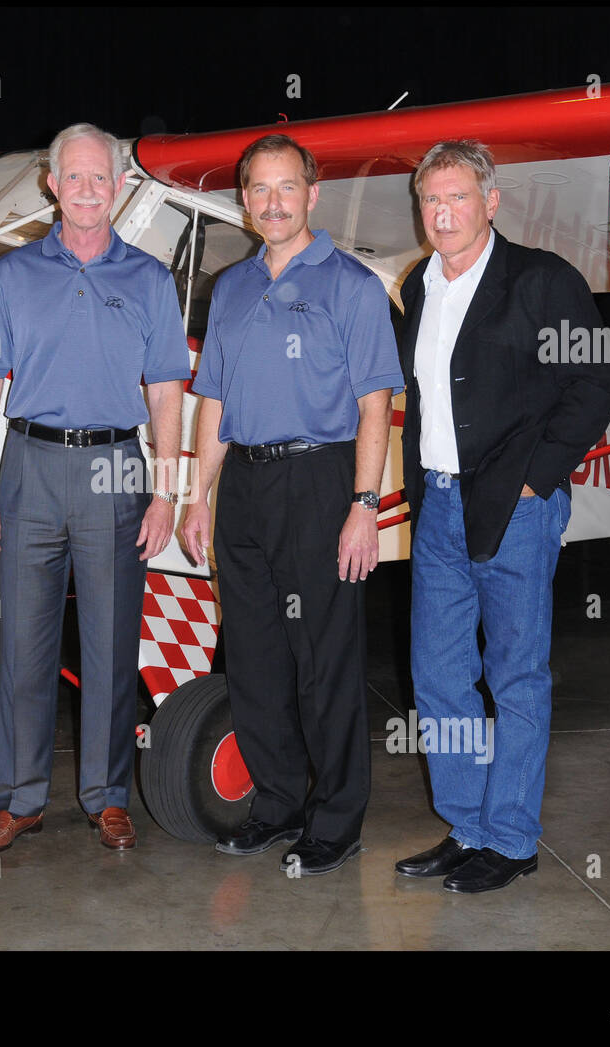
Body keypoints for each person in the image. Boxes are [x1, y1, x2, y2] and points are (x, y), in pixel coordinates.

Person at [393, 140, 610, 892]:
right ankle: (467, 825)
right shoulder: (419, 285)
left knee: (516, 675)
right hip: (439, 505)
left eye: (458, 196)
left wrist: (536, 479)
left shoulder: (543, 280)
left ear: (492, 201)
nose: (443, 212)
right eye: (431, 199)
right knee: (440, 675)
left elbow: (596, 381)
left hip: (515, 508)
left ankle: (514, 838)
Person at [0, 123, 189, 854]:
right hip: (28, 463)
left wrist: (166, 493)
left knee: (112, 641)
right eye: (76, 177)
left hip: (116, 467)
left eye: (102, 178)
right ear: (52, 184)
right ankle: (20, 800)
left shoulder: (151, 281)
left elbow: (166, 393)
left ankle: (107, 796)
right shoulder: (11, 276)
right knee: (22, 642)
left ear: (117, 188)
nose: (89, 190)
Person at [179, 134, 403, 876]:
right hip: (243, 485)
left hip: (319, 483)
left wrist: (363, 504)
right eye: (258, 189)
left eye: (287, 188)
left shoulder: (353, 286)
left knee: (324, 662)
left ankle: (337, 820)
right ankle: (275, 806)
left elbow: (376, 406)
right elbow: (212, 398)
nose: (272, 203)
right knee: (254, 659)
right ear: (243, 200)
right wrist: (197, 495)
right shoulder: (233, 288)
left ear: (312, 194)